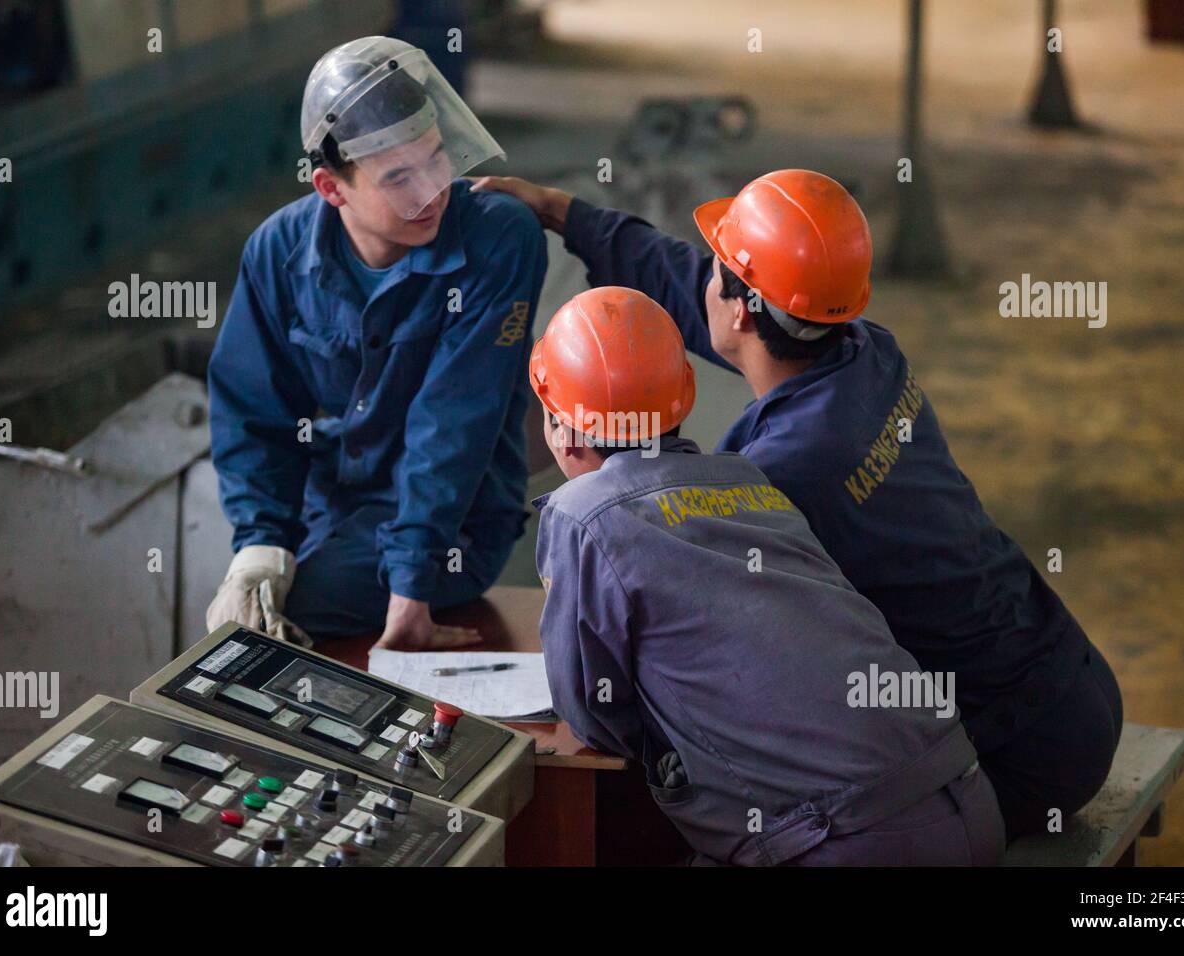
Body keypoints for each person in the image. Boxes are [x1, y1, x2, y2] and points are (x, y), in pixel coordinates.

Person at [475, 169, 1120, 840]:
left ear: (743, 312)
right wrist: (560, 211)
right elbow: (694, 280)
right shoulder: (870, 353)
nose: (703, 279)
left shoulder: (778, 482)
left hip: (1014, 752)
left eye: (717, 270)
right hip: (1075, 682)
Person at [530, 286, 1005, 865]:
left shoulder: (585, 515)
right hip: (969, 794)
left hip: (851, 843)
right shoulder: (747, 479)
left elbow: (592, 712)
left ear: (563, 428)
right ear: (680, 400)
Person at [205, 37, 547, 650]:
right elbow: (253, 411)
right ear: (332, 189)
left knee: (282, 628)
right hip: (330, 511)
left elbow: (454, 422)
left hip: (454, 528)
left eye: (438, 159)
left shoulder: (498, 240)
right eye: (398, 179)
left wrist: (413, 583)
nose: (433, 191)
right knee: (245, 616)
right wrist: (261, 546)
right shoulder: (277, 253)